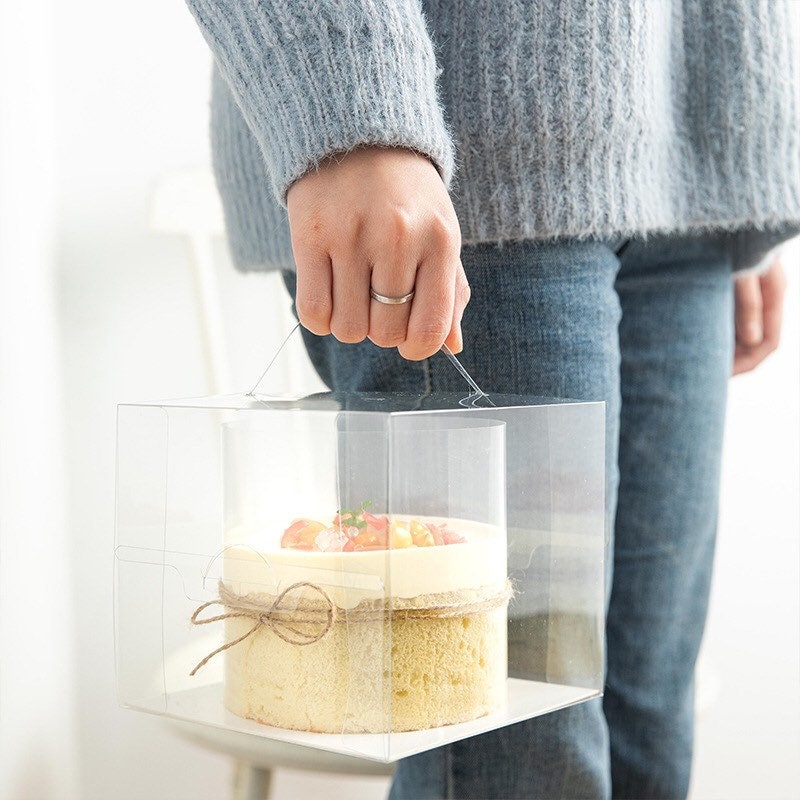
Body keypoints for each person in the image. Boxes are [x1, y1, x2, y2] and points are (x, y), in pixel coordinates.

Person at [185, 2, 799, 797]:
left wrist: (736, 169)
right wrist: (349, 103)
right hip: (460, 166)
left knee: (647, 727)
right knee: (524, 758)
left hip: (682, 175)